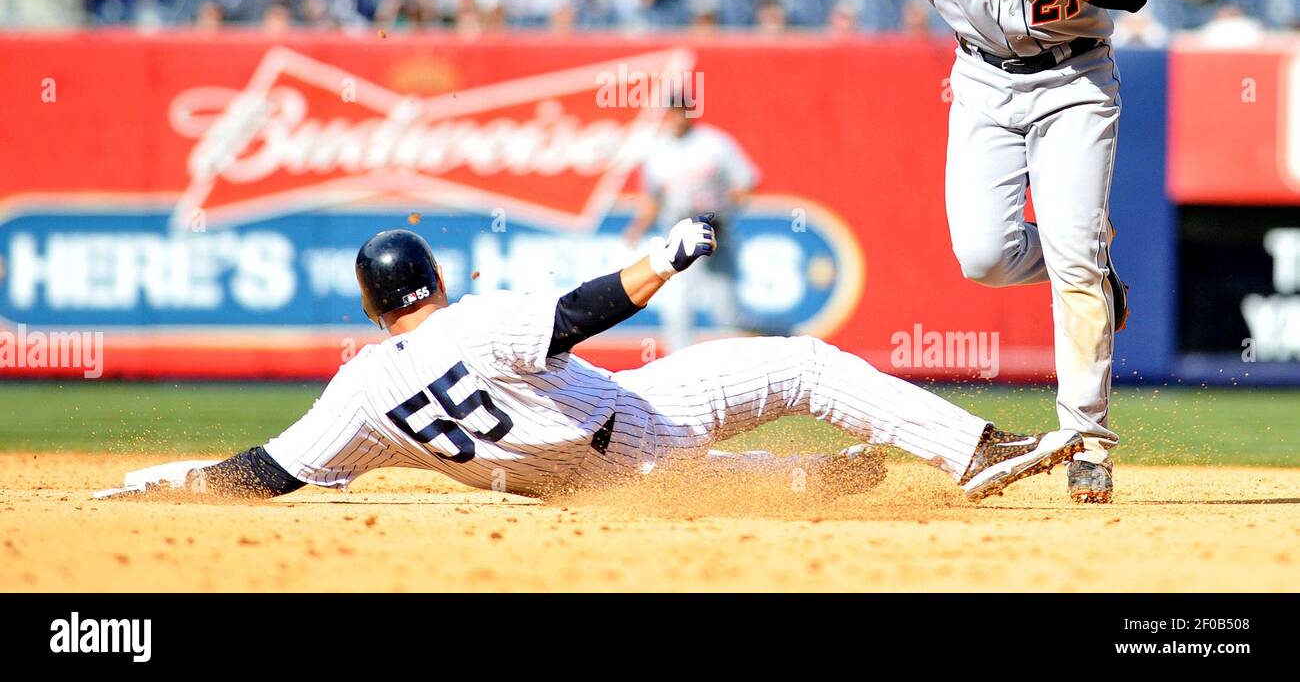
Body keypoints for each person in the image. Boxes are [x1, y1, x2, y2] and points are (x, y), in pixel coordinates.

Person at [97, 219, 1083, 503]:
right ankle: (972, 450)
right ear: (432, 279)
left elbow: (267, 476)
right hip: (639, 416)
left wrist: (169, 483)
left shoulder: (359, 389)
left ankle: (802, 485)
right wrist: (664, 254)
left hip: (581, 487)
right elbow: (575, 315)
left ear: (369, 306)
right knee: (804, 368)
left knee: (679, 490)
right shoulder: (471, 323)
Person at [911, 0, 1148, 505]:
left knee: (1074, 252)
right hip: (980, 78)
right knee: (982, 255)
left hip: (1074, 78)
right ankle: (1089, 265)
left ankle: (1088, 438)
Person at [624, 95, 759, 351]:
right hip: (678, 234)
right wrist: (636, 229)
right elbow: (654, 199)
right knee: (676, 307)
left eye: (682, 111)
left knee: (727, 314)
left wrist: (724, 207)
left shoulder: (714, 143)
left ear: (691, 112)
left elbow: (746, 182)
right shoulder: (657, 151)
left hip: (716, 233)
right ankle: (677, 372)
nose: (678, 117)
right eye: (673, 112)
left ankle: (769, 346)